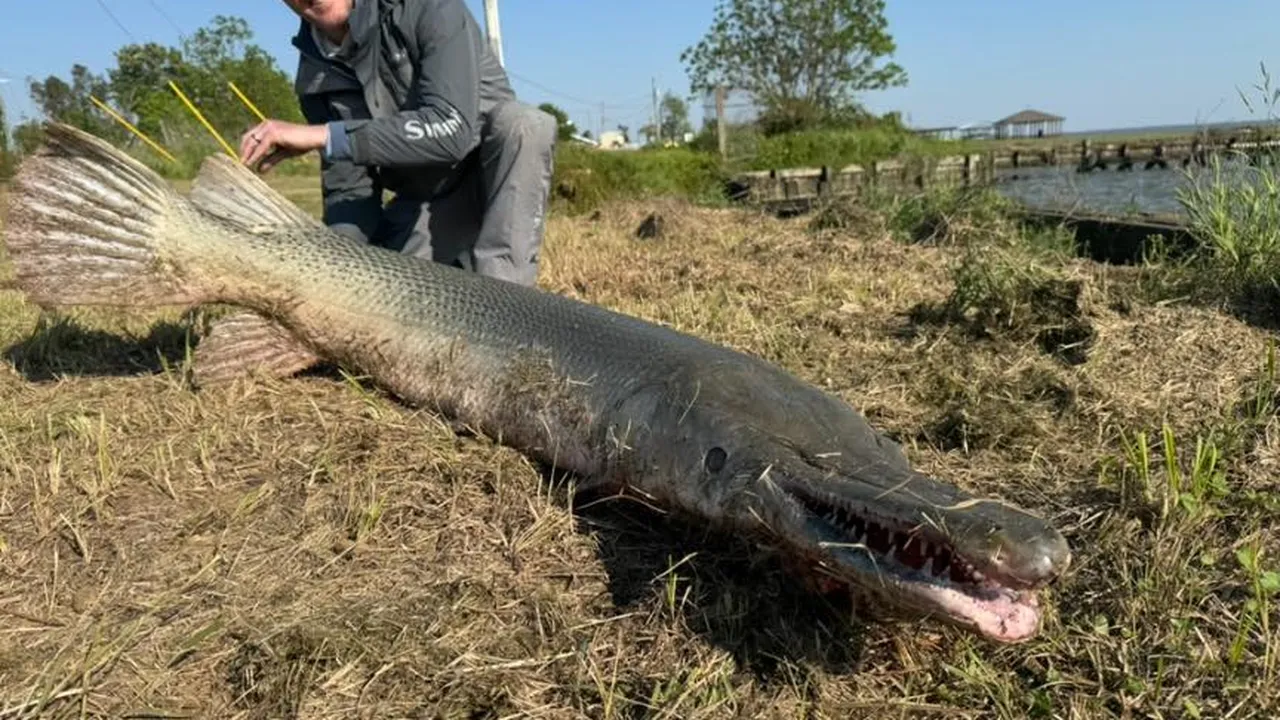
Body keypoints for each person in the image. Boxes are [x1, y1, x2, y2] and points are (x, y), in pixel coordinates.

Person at [239, 0, 558, 287]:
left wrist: (326, 136)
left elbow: (451, 130)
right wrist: (338, 273)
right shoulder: (314, 74)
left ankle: (504, 301)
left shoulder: (428, 7)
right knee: (390, 292)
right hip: (428, 201)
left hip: (494, 182)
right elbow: (350, 190)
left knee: (526, 125)